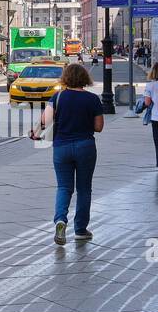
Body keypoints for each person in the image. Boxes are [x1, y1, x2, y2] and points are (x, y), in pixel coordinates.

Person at [30, 62, 104, 245]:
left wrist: (35, 133)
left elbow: (45, 122)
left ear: (66, 78)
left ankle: (61, 220)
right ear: (85, 79)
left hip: (61, 147)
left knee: (64, 187)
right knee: (84, 189)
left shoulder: (58, 97)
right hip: (85, 146)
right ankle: (80, 229)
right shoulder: (93, 99)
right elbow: (99, 127)